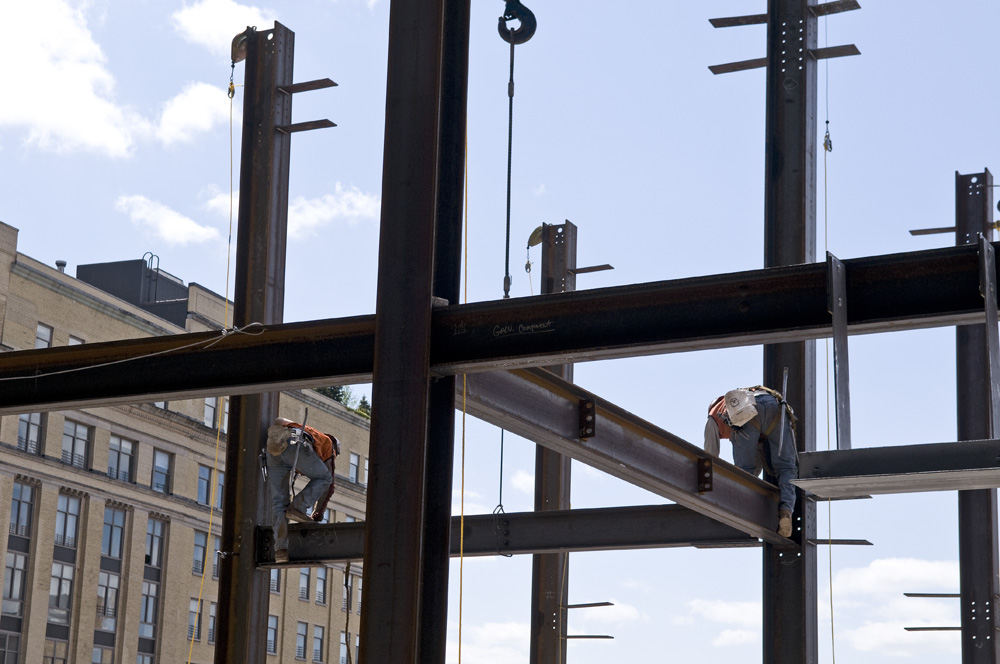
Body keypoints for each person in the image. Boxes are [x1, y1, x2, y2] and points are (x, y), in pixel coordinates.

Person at [704, 387, 798, 538]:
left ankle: (747, 514)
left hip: (747, 413)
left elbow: (709, 456)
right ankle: (786, 512)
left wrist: (713, 487)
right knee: (786, 467)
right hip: (776, 407)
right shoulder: (744, 394)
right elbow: (758, 461)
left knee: (744, 470)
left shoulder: (714, 415)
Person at [265, 417, 338, 562]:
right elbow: (329, 485)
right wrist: (318, 513)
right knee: (325, 478)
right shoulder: (328, 446)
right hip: (296, 444)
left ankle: (280, 550)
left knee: (279, 502)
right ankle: (298, 507)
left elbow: (278, 420)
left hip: (274, 448)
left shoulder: (310, 433)